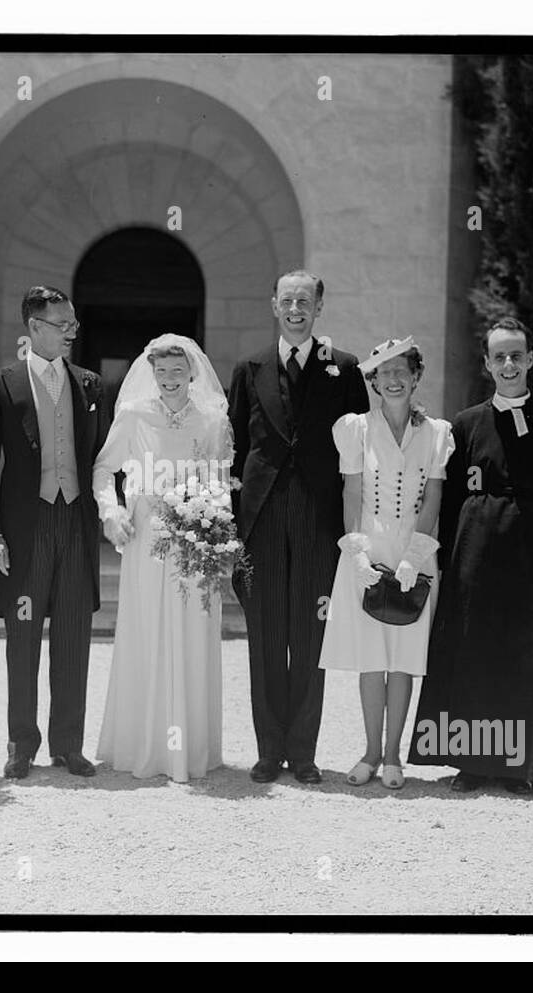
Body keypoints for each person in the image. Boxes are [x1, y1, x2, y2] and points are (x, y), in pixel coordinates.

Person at [409, 317, 533, 793]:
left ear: (530, 360)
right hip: (474, 549)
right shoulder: (465, 424)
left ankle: (522, 765)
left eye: (516, 355)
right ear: (487, 364)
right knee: (472, 649)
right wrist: (438, 555)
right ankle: (473, 763)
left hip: (529, 553)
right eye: (499, 356)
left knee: (522, 654)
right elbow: (445, 498)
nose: (508, 364)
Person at [228, 270, 369, 784]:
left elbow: (358, 451)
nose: (295, 308)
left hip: (318, 518)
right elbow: (236, 451)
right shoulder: (249, 368)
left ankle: (304, 753)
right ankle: (269, 751)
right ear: (273, 305)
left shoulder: (345, 370)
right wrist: (229, 526)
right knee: (265, 635)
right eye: (286, 300)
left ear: (318, 308)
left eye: (304, 301)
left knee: (310, 635)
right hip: (261, 519)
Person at [0, 286, 111, 780]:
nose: (72, 331)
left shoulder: (91, 385)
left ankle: (68, 744)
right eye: (62, 324)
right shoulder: (0, 383)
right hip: (24, 530)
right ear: (34, 327)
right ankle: (21, 745)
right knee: (22, 641)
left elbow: (101, 460)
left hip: (75, 523)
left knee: (74, 638)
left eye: (73, 323)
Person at [91, 335, 232, 782]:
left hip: (195, 537)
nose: (170, 380)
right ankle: (142, 745)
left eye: (178, 371)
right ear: (151, 374)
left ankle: (189, 748)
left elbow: (220, 478)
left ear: (192, 373)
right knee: (147, 630)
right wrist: (111, 512)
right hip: (146, 537)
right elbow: (102, 468)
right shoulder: (133, 416)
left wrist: (216, 529)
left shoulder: (211, 421)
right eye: (162, 372)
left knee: (192, 631)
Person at [320, 336, 455, 789]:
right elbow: (352, 492)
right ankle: (370, 752)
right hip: (368, 552)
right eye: (384, 373)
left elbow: (433, 498)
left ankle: (395, 754)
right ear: (373, 382)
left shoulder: (436, 433)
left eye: (402, 371)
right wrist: (356, 552)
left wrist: (417, 555)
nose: (393, 380)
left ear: (416, 377)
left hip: (413, 554)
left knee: (403, 659)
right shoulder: (355, 428)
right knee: (371, 660)